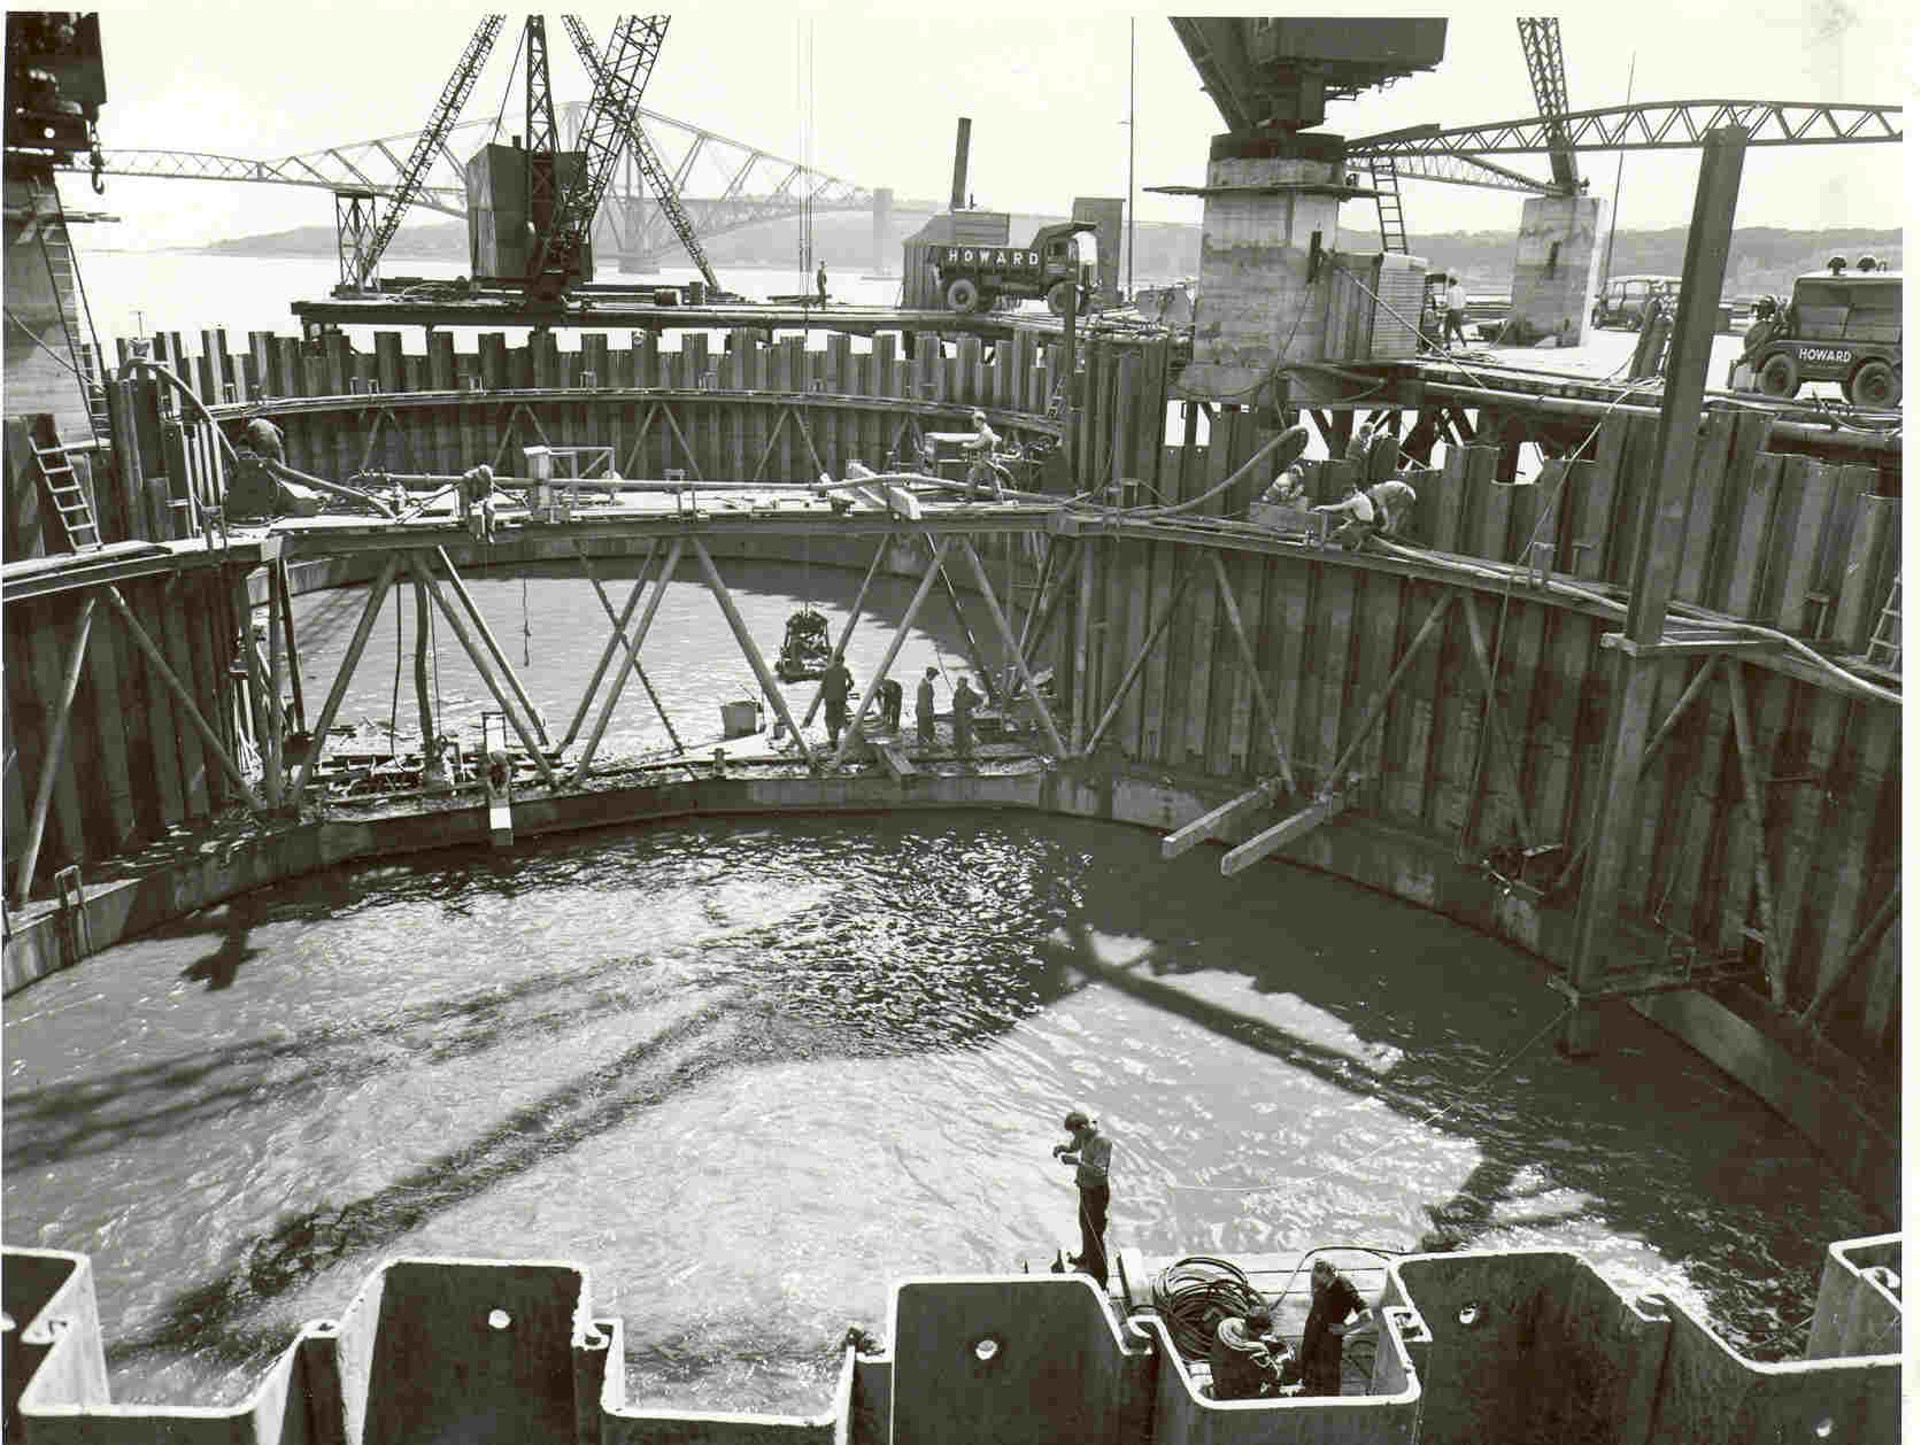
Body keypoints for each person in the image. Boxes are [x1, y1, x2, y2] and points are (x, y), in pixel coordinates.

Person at [1050, 1109, 1112, 1287]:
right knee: (1084, 1225)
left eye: (1074, 1132)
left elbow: (1100, 1171)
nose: (1074, 1136)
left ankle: (1100, 1276)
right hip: (1085, 1189)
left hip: (1097, 1193)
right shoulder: (1084, 1135)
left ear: (1083, 1127)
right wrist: (1064, 1148)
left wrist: (1077, 1162)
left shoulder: (1102, 1142)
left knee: (1095, 1233)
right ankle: (1086, 1258)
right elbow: (1076, 1145)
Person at [1298, 1260, 1370, 1397]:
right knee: (1309, 1366)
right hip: (1313, 1330)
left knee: (1329, 1378)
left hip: (1329, 1337)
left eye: (1322, 1279)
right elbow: (1315, 1283)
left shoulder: (1345, 1288)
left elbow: (1367, 1316)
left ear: (1331, 1273)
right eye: (1316, 1277)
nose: (1318, 1282)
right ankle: (1310, 1392)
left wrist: (1346, 1329)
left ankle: (1330, 1402)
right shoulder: (1319, 1278)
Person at [1210, 1306, 1293, 1400]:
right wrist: (1281, 1364)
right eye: (1264, 1331)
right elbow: (1273, 1376)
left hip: (1220, 1383)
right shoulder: (1256, 1349)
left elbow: (1244, 1340)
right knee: (1280, 1393)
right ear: (1259, 1330)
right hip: (1236, 1396)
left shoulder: (1227, 1325)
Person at [1314, 477, 1418, 549]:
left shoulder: (1377, 492)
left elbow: (1383, 508)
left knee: (1392, 518)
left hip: (1404, 493)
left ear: (1370, 489)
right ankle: (1390, 536)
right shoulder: (1381, 490)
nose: (1368, 496)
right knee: (1393, 516)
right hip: (1408, 493)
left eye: (1368, 494)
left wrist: (1386, 523)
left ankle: (1388, 536)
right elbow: (1380, 509)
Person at [961, 409, 1003, 500]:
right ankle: (969, 498)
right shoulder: (986, 430)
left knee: (992, 480)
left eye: (974, 421)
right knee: (973, 477)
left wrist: (967, 446)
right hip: (982, 459)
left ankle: (1000, 499)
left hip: (987, 460)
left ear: (979, 421)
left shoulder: (985, 432)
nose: (974, 423)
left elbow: (978, 444)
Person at [820, 652, 854, 747]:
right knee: (838, 718)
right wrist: (847, 689)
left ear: (834, 660)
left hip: (829, 698)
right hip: (841, 698)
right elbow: (851, 683)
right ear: (842, 661)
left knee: (829, 718)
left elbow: (823, 686)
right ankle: (835, 738)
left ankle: (831, 736)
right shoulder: (845, 670)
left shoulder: (828, 671)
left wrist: (824, 696)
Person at [459, 464, 497, 543]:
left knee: (491, 510)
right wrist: (471, 503)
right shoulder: (467, 478)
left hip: (483, 499)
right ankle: (475, 533)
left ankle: (489, 532)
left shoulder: (489, 478)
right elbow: (464, 495)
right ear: (478, 474)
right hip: (470, 499)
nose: (484, 481)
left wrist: (483, 502)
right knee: (473, 513)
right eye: (482, 479)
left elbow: (490, 493)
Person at [951, 674, 978, 756]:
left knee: (966, 734)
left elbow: (979, 701)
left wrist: (972, 708)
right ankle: (958, 751)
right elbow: (954, 702)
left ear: (964, 683)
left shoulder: (970, 692)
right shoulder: (957, 692)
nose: (957, 683)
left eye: (959, 682)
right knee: (957, 734)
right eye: (957, 682)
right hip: (957, 715)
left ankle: (968, 751)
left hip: (966, 716)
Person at [1443, 276, 1469, 348]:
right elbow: (1464, 302)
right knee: (1458, 328)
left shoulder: (1450, 291)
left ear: (1450, 283)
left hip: (1452, 311)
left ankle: (1448, 345)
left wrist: (1442, 309)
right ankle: (1464, 342)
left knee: (1447, 329)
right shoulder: (1462, 290)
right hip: (1460, 311)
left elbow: (1449, 305)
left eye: (1448, 283)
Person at [916, 666, 938, 746]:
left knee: (928, 728)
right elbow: (923, 701)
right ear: (930, 675)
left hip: (927, 710)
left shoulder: (928, 684)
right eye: (934, 676)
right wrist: (927, 713)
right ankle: (923, 744)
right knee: (923, 728)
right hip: (923, 710)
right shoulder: (923, 685)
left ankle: (928, 742)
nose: (934, 678)